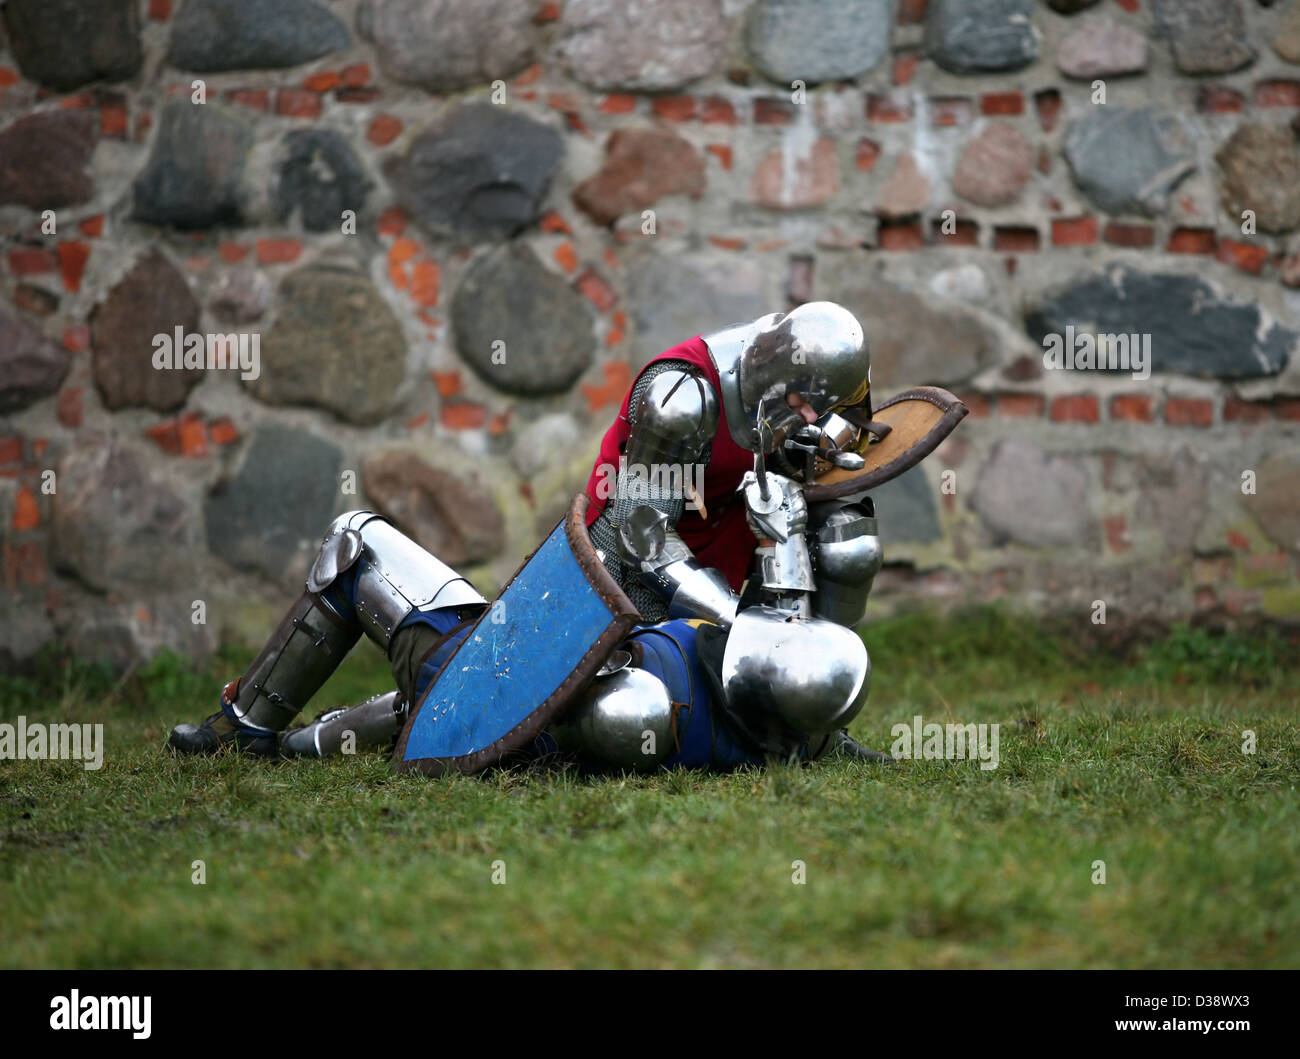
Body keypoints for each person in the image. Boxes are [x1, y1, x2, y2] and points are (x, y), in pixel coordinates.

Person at [167, 301, 890, 769]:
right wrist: (740, 624)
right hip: (625, 592)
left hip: (717, 608)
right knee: (481, 666)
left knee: (849, 539)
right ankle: (251, 725)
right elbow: (639, 534)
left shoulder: (801, 392)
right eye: (803, 409)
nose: (811, 422)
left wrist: (802, 492)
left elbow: (833, 472)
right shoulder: (682, 399)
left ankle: (815, 728)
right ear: (777, 379)